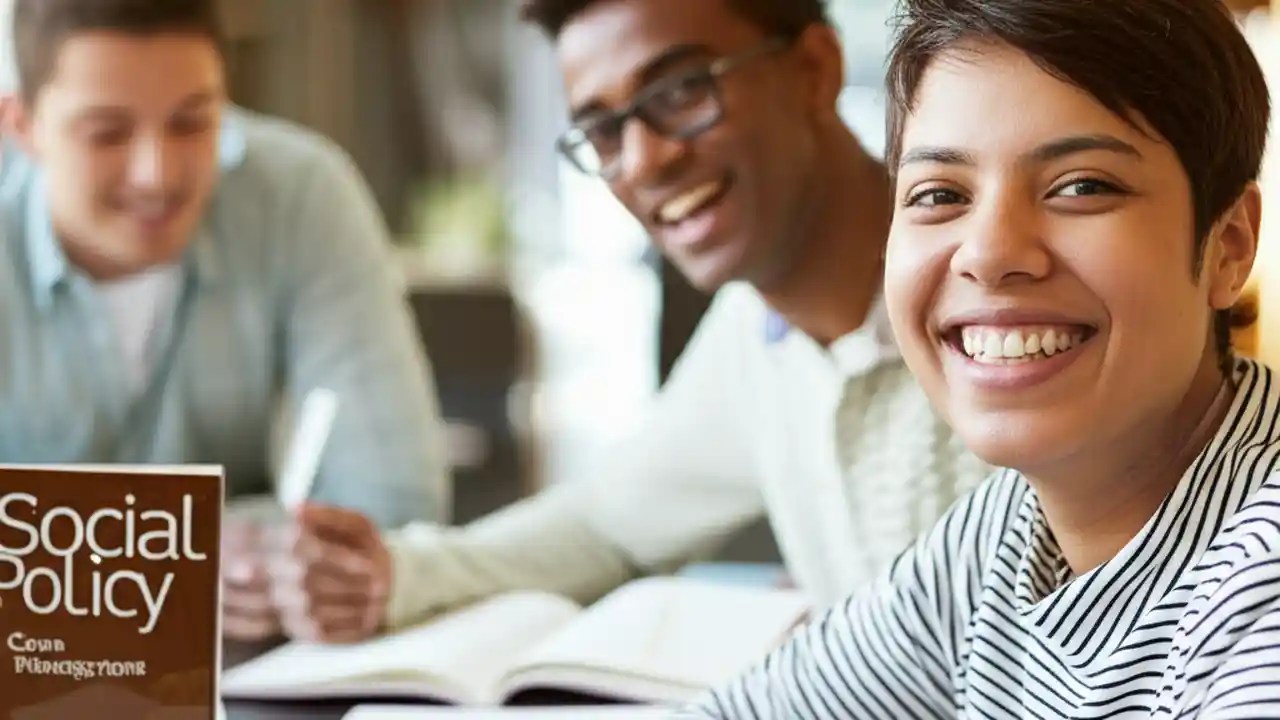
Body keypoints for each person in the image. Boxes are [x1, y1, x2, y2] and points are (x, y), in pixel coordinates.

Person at [267, 0, 992, 645]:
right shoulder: (754, 331)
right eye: (604, 130)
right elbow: (606, 526)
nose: (644, 161)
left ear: (815, 68)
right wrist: (392, 573)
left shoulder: (990, 303)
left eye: (681, 91)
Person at [685, 0, 1280, 716]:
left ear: (1229, 245)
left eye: (1082, 186)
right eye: (940, 194)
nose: (990, 253)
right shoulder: (1002, 534)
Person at [0, 0, 451, 641]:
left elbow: (395, 509)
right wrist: (183, 559)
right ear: (21, 124)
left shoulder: (299, 196)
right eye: (107, 133)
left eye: (192, 122)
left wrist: (53, 551)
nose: (156, 175)